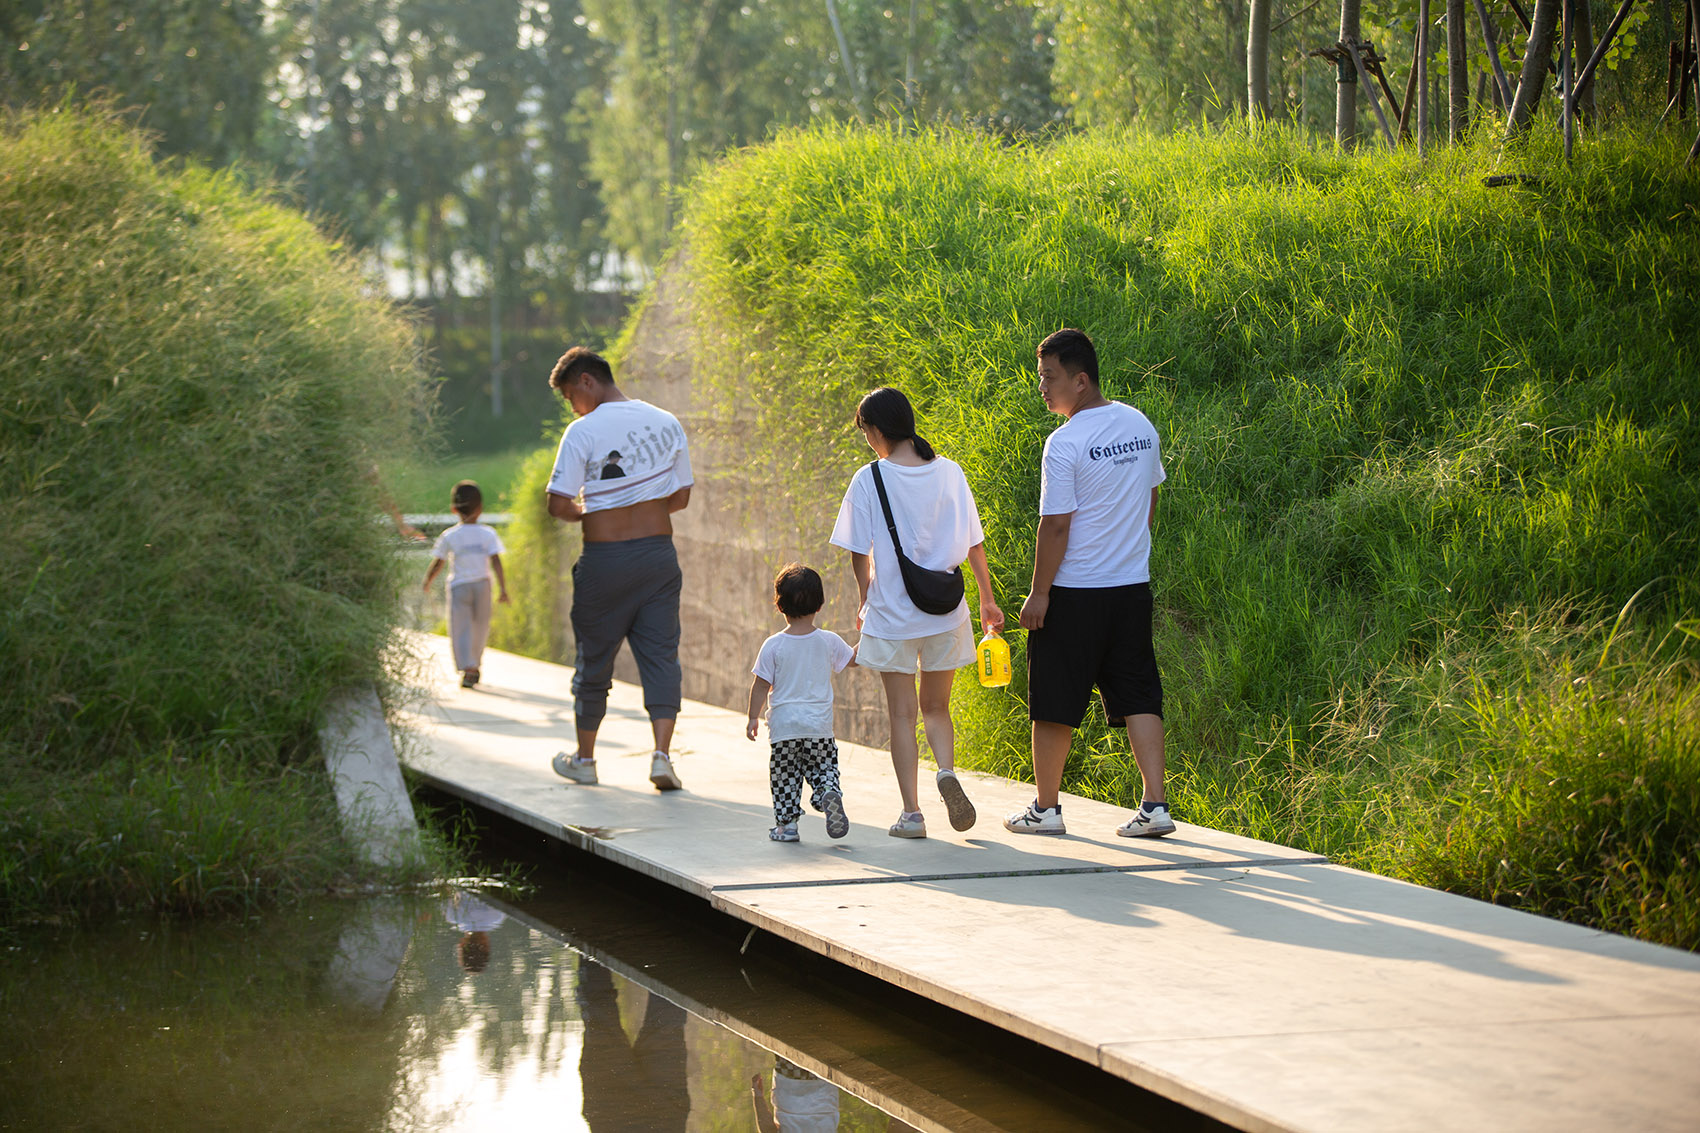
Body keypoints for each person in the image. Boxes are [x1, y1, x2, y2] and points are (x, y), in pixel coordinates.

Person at [1007, 328, 1173, 838]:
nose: (1042, 387)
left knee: (1054, 701)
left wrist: (1039, 593)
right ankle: (1156, 807)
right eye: (1040, 377)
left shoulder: (1065, 442)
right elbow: (1150, 497)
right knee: (1139, 693)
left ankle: (1047, 809)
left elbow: (1055, 525)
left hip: (1076, 594)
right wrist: (1127, 548)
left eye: (1050, 377)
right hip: (1130, 588)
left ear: (1081, 380)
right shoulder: (1140, 424)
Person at [829, 388, 1004, 839]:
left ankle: (912, 814)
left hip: (893, 615)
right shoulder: (949, 472)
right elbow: (973, 543)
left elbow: (856, 553)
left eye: (865, 431)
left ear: (876, 430)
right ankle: (946, 771)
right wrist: (987, 599)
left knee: (902, 715)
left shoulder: (869, 478)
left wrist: (865, 597)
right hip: (947, 611)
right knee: (937, 708)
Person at [545, 346, 692, 791]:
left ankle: (585, 760)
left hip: (606, 562)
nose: (572, 405)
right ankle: (662, 757)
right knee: (662, 658)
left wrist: (594, 511)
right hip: (658, 558)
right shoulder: (667, 422)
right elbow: (682, 496)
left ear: (587, 381)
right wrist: (641, 508)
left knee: (594, 659)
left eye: (571, 395)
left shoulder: (582, 430)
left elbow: (557, 503)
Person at [746, 563, 856, 843]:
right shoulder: (828, 641)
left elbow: (760, 685)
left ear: (779, 606)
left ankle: (787, 827)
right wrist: (869, 635)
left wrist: (752, 718)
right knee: (824, 768)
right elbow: (853, 660)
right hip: (818, 728)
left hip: (784, 729)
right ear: (820, 604)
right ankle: (825, 792)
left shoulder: (773, 645)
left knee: (785, 778)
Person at [422, 480, 509, 688]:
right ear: (480, 509)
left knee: (460, 627)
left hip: (459, 586)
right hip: (483, 585)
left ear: (453, 509)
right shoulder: (488, 534)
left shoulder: (450, 535)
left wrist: (427, 581)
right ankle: (475, 665)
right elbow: (496, 561)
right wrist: (503, 588)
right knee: (480, 626)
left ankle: (467, 667)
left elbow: (438, 562)